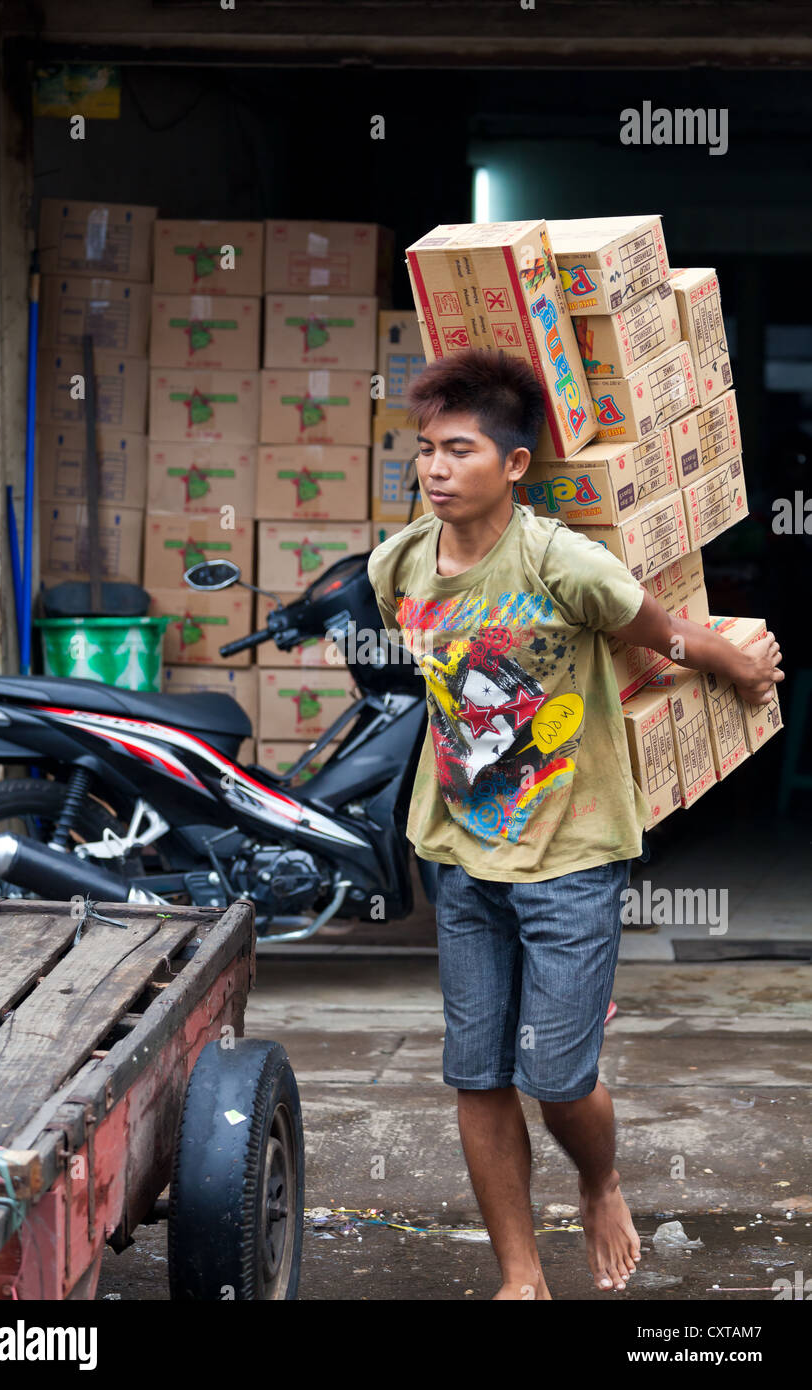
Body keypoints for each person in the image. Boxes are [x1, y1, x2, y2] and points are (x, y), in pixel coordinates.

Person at [367, 348, 783, 1301]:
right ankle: (521, 1276)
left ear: (513, 465)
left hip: (572, 855)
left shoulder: (562, 559)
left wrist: (740, 662)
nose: (434, 468)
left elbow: (667, 634)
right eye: (425, 450)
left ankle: (601, 1183)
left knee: (556, 1075)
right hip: (460, 857)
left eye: (459, 450)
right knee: (476, 1076)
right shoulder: (397, 565)